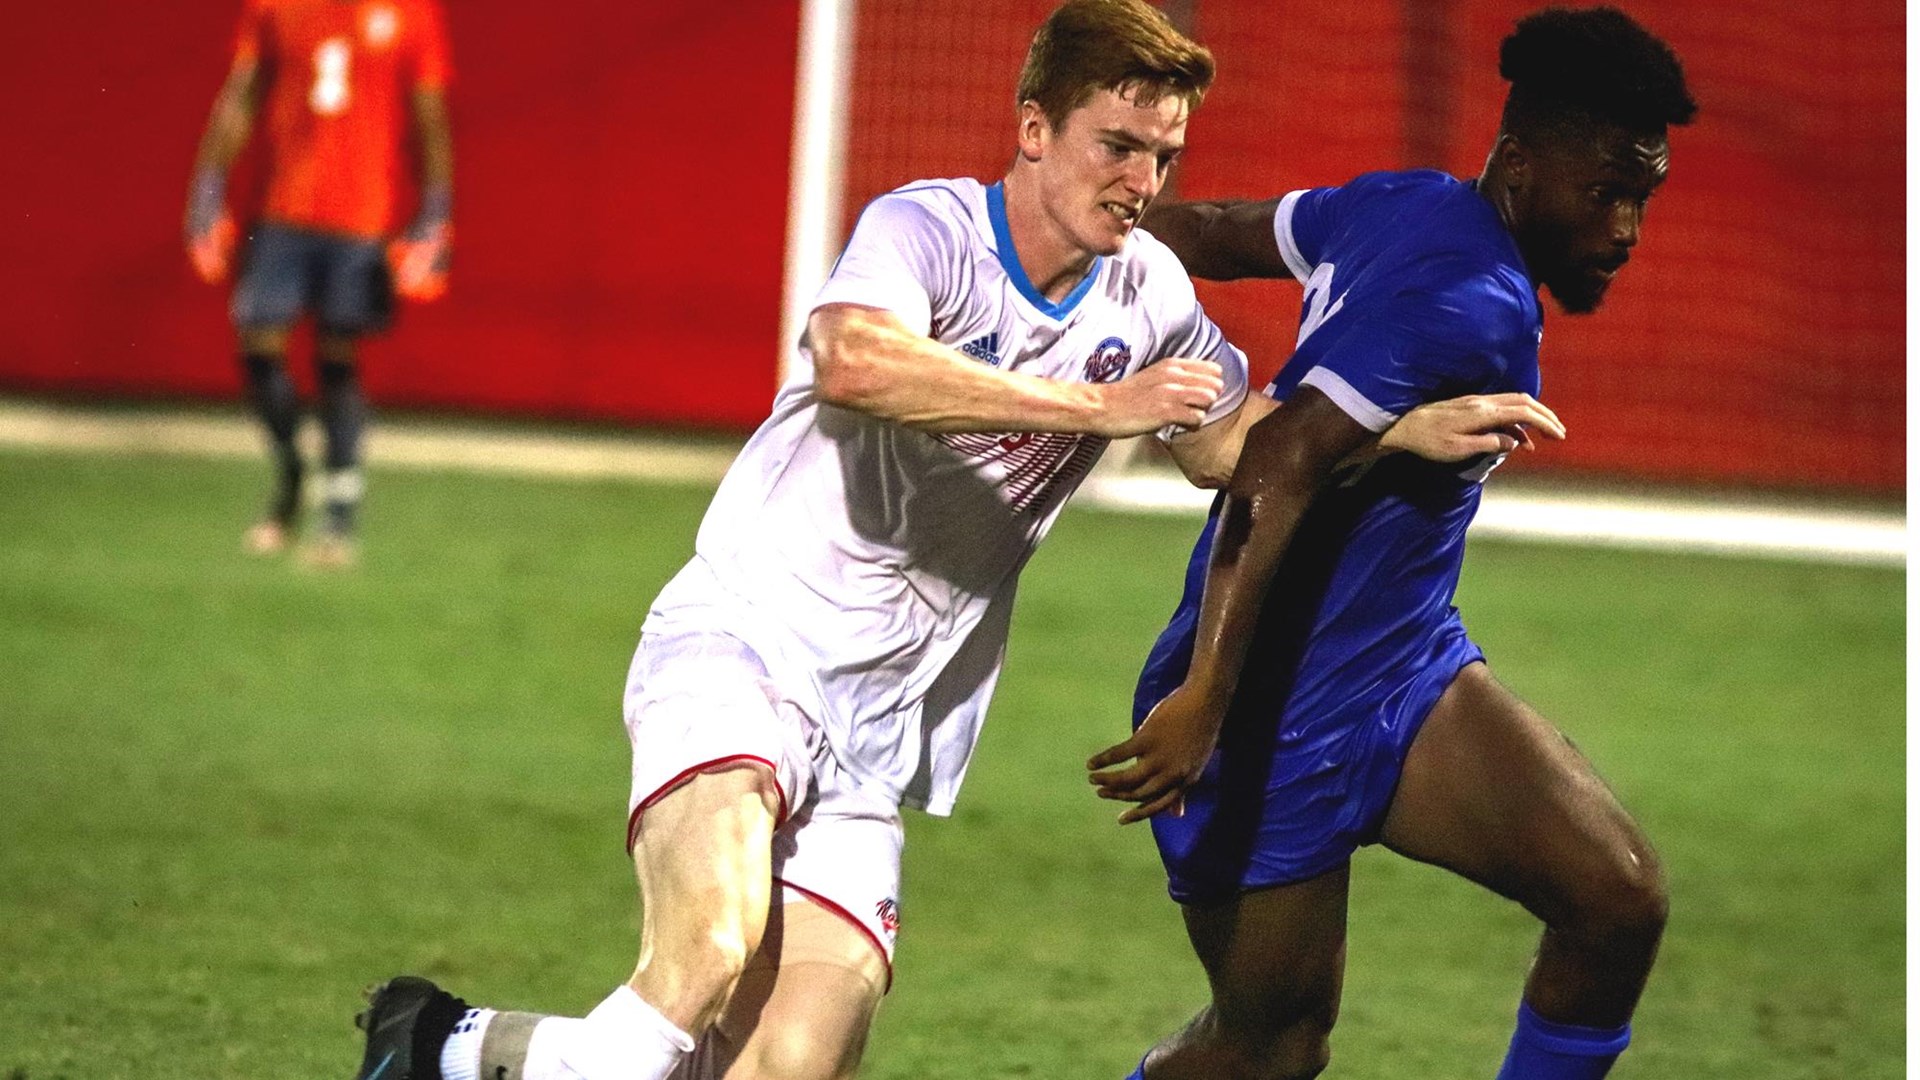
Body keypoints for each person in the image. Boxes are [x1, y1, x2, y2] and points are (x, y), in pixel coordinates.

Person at [345, 3, 1550, 1079]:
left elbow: (1235, 444)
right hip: (746, 648)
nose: (1142, 180)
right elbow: (852, 361)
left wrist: (1395, 430)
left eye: (1163, 156)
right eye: (1115, 145)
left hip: (873, 739)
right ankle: (451, 1046)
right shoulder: (927, 230)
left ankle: (449, 1048)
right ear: (1035, 129)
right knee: (706, 952)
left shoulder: (1150, 296)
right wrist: (1093, 407)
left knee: (789, 1066)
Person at [1087, 7, 1696, 1080]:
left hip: (1406, 672)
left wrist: (1094, 241)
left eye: (1641, 197)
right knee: (1270, 1049)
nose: (1627, 229)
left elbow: (1215, 230)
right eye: (1606, 193)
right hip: (1268, 705)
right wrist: (1208, 700)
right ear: (1519, 165)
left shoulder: (1405, 203)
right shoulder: (1471, 300)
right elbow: (1275, 464)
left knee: (1616, 898)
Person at [184, 0, 454, 567]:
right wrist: (208, 189)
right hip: (283, 209)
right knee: (258, 345)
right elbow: (241, 95)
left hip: (361, 218)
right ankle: (292, 475)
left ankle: (339, 513)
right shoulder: (277, 6)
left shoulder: (410, 12)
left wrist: (435, 212)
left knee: (337, 357)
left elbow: (428, 114)